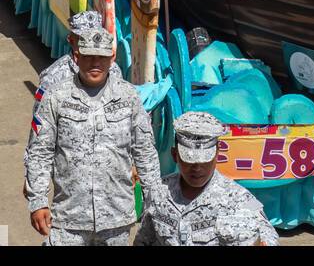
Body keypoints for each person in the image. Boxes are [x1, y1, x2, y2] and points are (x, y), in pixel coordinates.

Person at [25, 24, 160, 247]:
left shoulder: (129, 98)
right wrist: (38, 201)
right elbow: (40, 153)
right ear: (77, 57)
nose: (95, 63)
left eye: (101, 57)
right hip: (68, 219)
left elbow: (145, 153)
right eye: (88, 57)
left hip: (116, 219)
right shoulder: (56, 98)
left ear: (112, 57)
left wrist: (153, 202)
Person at [134, 113, 278, 247]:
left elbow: (267, 234)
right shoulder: (158, 192)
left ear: (217, 154)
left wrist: (263, 242)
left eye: (205, 161)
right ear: (175, 155)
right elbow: (145, 238)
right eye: (189, 160)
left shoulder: (239, 199)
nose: (197, 168)